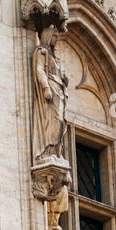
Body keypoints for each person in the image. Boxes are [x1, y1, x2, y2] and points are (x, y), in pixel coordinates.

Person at [31, 28, 68, 163]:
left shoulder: (52, 56)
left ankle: (56, 151)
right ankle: (48, 150)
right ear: (48, 36)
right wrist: (46, 87)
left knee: (60, 121)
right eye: (54, 36)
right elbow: (39, 69)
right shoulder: (42, 52)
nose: (56, 39)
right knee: (54, 120)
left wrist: (64, 78)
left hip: (59, 90)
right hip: (51, 89)